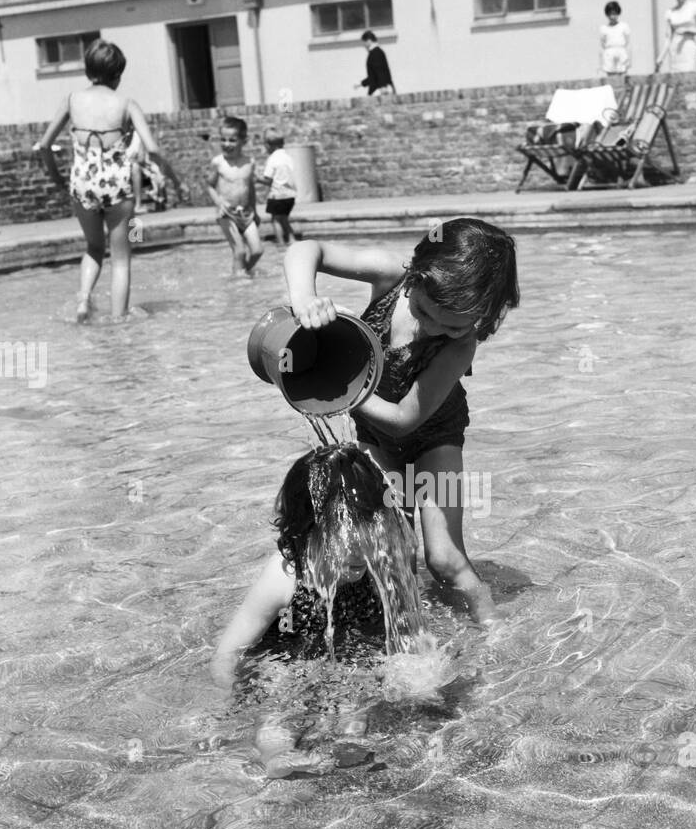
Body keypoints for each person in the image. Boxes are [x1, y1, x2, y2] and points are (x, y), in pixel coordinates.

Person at [283, 217, 519, 626]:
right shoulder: (389, 275)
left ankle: (493, 627)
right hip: (375, 436)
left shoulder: (460, 346)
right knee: (392, 550)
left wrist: (342, 389)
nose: (434, 329)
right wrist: (306, 297)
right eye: (426, 311)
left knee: (444, 558)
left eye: (454, 324)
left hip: (434, 437)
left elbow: (404, 419)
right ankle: (409, 636)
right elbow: (305, 249)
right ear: (417, 276)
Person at [210, 442, 417, 688]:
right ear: (307, 530)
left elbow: (409, 630)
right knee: (277, 723)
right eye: (346, 544)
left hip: (349, 667)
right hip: (286, 668)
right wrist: (231, 706)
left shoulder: (381, 563)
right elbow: (227, 656)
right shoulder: (284, 578)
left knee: (359, 718)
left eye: (370, 539)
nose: (362, 555)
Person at [37, 38, 181, 322]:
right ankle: (119, 320)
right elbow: (152, 149)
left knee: (93, 247)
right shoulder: (126, 103)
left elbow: (44, 145)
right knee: (120, 258)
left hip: (82, 184)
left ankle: (83, 300)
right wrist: (176, 180)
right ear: (118, 74)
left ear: (88, 71)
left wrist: (57, 177)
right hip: (116, 185)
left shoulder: (71, 99)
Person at [207, 116, 263, 273]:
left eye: (232, 140)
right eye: (223, 139)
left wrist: (255, 211)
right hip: (226, 213)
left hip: (246, 213)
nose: (226, 144)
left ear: (243, 141)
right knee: (239, 251)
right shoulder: (218, 163)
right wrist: (219, 203)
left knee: (258, 250)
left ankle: (243, 271)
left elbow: (250, 188)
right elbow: (210, 186)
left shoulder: (249, 162)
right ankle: (240, 282)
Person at [258, 128, 298, 246]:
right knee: (284, 218)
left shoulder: (272, 159)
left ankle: (280, 241)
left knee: (276, 219)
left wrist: (256, 179)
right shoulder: (288, 157)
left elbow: (268, 180)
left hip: (277, 195)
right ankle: (291, 239)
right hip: (290, 195)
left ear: (269, 145)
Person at [599, 0, 632, 79]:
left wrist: (629, 60)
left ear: (618, 13)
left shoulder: (624, 26)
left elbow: (628, 43)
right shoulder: (603, 29)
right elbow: (602, 45)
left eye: (614, 14)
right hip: (609, 56)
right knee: (611, 80)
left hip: (621, 54)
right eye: (610, 14)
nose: (612, 17)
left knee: (622, 79)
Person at [359, 30, 395, 98]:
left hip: (380, 90)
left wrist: (383, 86)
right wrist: (361, 84)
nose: (364, 46)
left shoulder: (376, 53)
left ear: (369, 41)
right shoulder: (376, 52)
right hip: (379, 88)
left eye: (364, 43)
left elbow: (380, 71)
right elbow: (373, 76)